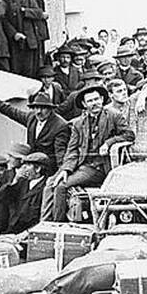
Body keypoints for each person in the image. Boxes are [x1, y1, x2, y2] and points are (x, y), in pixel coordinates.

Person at [51, 82, 135, 222]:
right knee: (52, 183)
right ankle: (48, 222)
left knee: (61, 187)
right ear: (84, 104)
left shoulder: (113, 116)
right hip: (82, 165)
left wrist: (109, 143)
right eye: (90, 101)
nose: (94, 103)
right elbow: (72, 150)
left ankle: (57, 225)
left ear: (102, 100)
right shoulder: (79, 123)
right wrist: (65, 169)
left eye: (97, 99)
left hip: (101, 168)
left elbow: (129, 135)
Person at [0, 88, 71, 173]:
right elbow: (11, 111)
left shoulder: (60, 126)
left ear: (50, 109)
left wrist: (61, 173)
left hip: (48, 169)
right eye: (36, 108)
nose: (38, 111)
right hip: (31, 166)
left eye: (43, 108)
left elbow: (60, 154)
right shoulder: (31, 118)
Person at [3, 0, 47, 79]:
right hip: (16, 41)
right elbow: (4, 19)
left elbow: (38, 12)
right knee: (16, 72)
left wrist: (25, 11)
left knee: (31, 72)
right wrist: (14, 34)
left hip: (31, 40)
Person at [2, 152, 50, 233]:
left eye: (28, 165)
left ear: (37, 169)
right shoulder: (21, 182)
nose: (23, 168)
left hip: (30, 233)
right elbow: (2, 198)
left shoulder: (46, 187)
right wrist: (15, 180)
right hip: (12, 230)